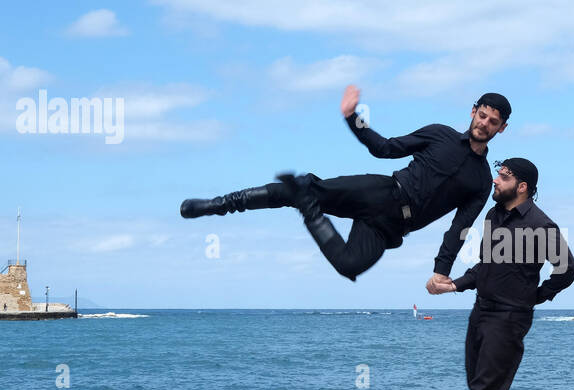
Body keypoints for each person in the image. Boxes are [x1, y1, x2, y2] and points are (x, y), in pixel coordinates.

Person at [180, 85, 511, 284]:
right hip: (380, 191)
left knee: (349, 266)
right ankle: (217, 205)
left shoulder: (481, 182)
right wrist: (354, 117)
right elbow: (385, 148)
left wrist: (442, 271)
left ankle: (308, 206)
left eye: (492, 122)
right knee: (301, 191)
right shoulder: (439, 134)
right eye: (481, 115)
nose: (484, 123)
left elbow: (460, 229)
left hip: (392, 227)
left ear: (501, 128)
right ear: (473, 111)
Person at [429, 158, 574, 390]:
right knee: (478, 386)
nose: (496, 180)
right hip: (482, 310)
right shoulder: (493, 216)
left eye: (504, 176)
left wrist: (537, 296)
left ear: (522, 186)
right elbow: (485, 267)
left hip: (510, 317)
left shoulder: (542, 226)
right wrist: (454, 285)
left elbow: (568, 269)